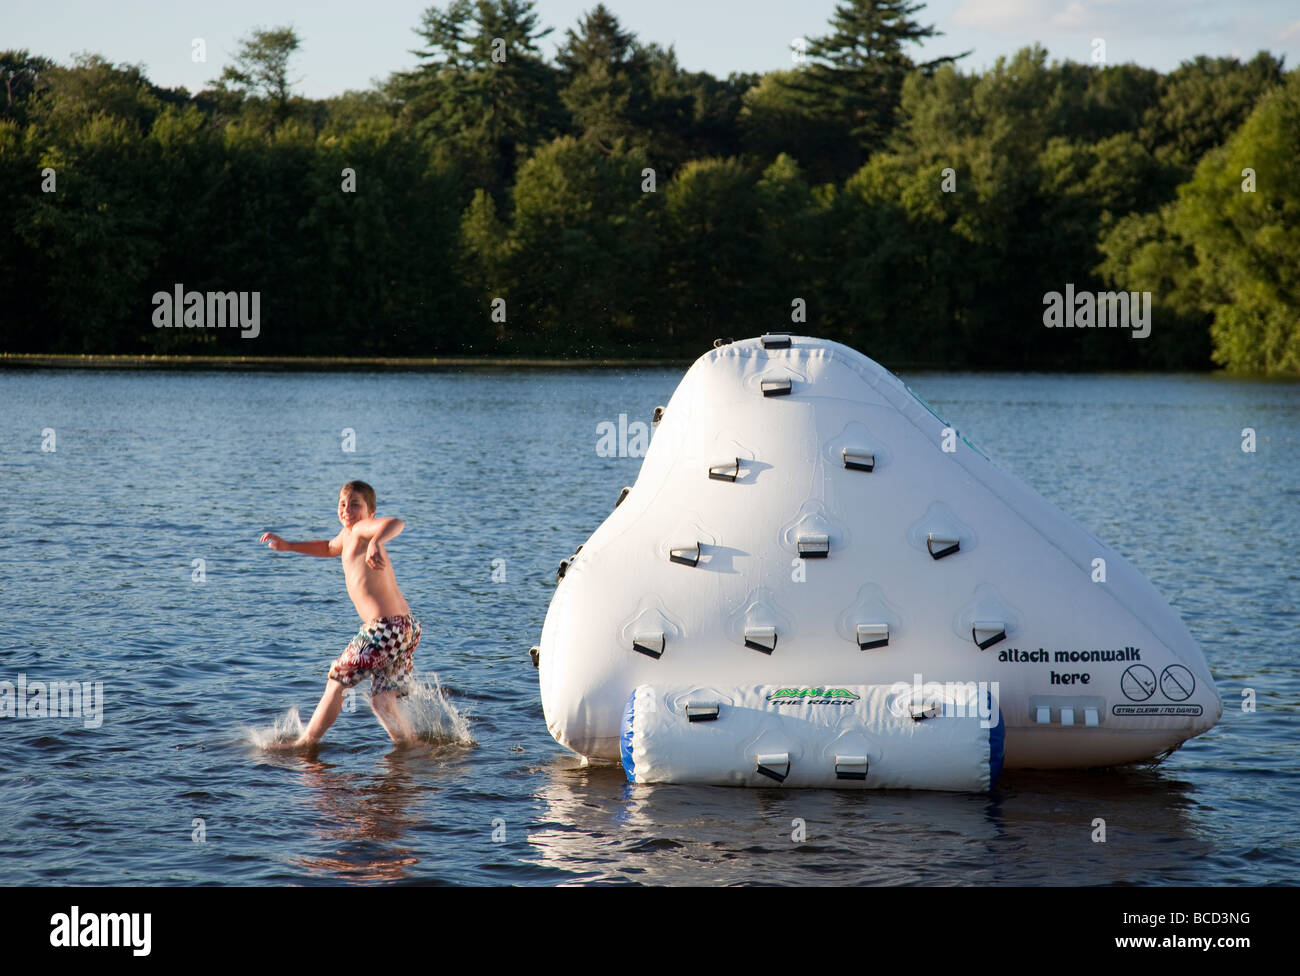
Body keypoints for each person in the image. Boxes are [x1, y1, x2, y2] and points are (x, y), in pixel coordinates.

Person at [260, 481, 420, 747]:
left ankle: (307, 744)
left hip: (384, 630)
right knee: (382, 702)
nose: (347, 510)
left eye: (355, 505)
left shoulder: (362, 530)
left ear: (371, 512)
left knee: (336, 680)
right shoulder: (347, 536)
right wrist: (288, 546)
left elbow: (396, 522)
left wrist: (377, 542)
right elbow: (327, 547)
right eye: (342, 504)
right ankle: (411, 749)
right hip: (405, 628)